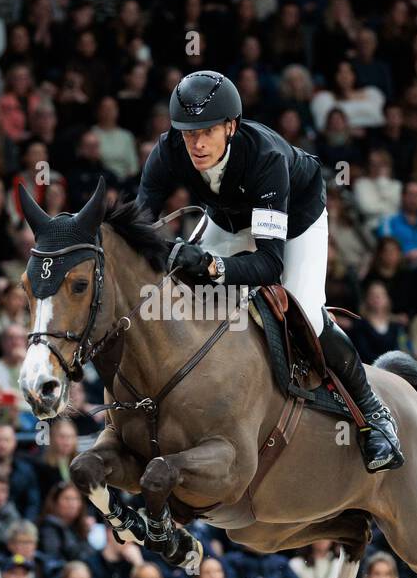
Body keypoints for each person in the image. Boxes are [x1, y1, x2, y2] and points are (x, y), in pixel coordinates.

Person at [136, 70, 401, 471]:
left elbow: (269, 264)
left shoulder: (266, 157)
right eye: (189, 133)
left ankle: (375, 415)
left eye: (207, 132)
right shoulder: (169, 150)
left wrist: (210, 264)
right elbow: (139, 228)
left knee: (307, 314)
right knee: (179, 295)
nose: (197, 144)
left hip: (295, 219)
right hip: (228, 218)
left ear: (230, 126)